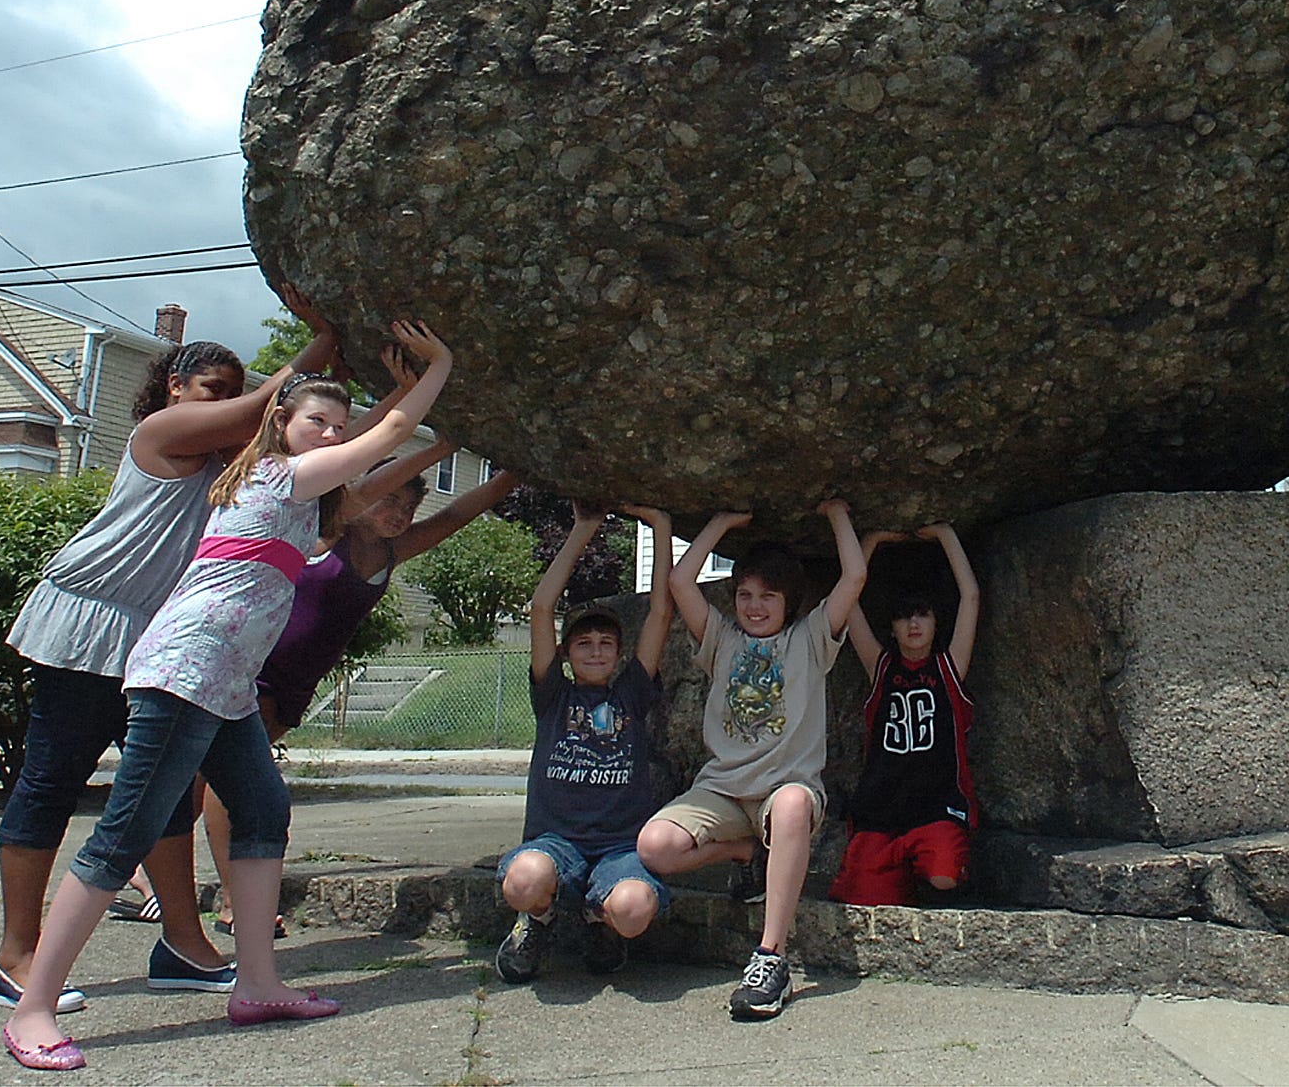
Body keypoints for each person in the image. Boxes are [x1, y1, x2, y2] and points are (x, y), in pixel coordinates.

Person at [1, 322, 453, 1072]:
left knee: (263, 808)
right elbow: (392, 431)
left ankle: (257, 982)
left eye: (338, 425)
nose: (333, 432)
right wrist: (440, 367)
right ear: (278, 422)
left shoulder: (301, 494)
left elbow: (374, 440)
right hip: (187, 669)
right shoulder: (276, 476)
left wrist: (399, 400)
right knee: (128, 829)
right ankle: (33, 1007)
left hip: (229, 683)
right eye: (316, 420)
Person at [0, 290, 337, 1016]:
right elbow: (260, 413)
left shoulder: (239, 470)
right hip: (91, 621)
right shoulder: (161, 431)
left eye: (234, 394)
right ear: (176, 388)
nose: (229, 406)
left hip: (168, 643)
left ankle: (182, 939)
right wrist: (325, 338)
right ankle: (16, 953)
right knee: (52, 781)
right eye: (214, 391)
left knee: (170, 790)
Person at [204, 438, 521, 936]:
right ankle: (234, 900)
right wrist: (445, 441)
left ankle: (167, 882)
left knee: (202, 778)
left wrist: (512, 472)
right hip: (252, 669)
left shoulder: (393, 551)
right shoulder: (328, 531)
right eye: (389, 498)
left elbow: (455, 515)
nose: (399, 512)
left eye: (409, 505)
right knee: (237, 781)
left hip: (296, 683)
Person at [636, 500, 871, 1021]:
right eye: (744, 595)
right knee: (655, 847)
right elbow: (680, 582)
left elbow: (854, 576)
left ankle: (771, 959)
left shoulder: (810, 640)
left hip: (785, 790)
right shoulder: (722, 639)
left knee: (789, 807)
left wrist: (834, 513)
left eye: (768, 596)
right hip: (722, 791)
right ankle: (746, 853)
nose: (755, 606)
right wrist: (719, 523)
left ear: (790, 603)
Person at [495, 503, 676, 982]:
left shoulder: (632, 696)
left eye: (606, 643)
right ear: (567, 653)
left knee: (635, 909)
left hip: (620, 847)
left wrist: (660, 527)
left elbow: (660, 610)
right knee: (524, 880)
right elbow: (541, 608)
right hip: (555, 843)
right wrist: (583, 528)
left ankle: (602, 920)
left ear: (619, 653)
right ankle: (538, 916)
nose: (595, 649)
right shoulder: (554, 696)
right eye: (583, 643)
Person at [827, 523, 981, 907]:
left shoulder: (948, 669)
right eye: (904, 617)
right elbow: (849, 604)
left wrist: (947, 535)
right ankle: (898, 875)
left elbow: (971, 596)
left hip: (936, 808)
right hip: (881, 811)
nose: (913, 624)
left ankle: (925, 870)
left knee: (944, 877)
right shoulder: (881, 668)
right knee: (862, 899)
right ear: (892, 628)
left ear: (935, 621)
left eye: (922, 615)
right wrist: (871, 540)